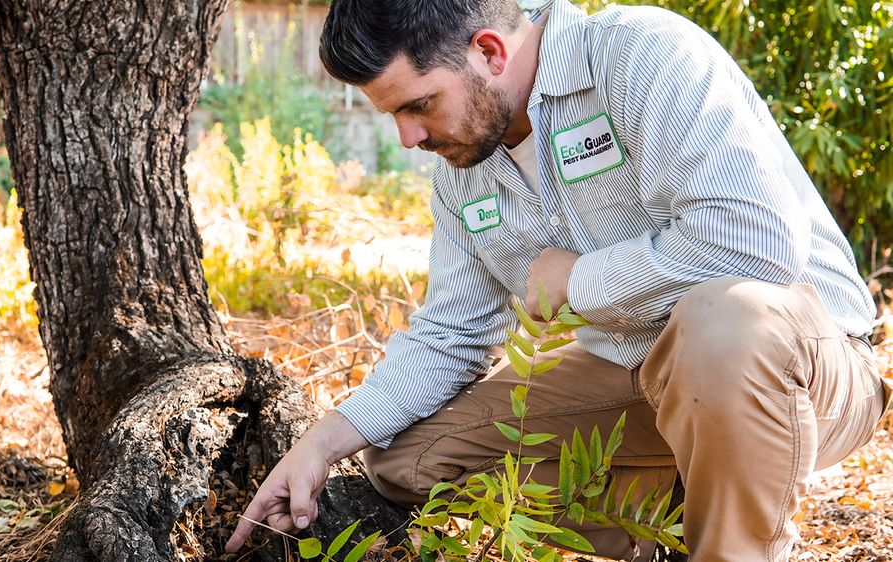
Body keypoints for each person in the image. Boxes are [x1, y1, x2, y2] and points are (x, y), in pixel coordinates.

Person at [225, 0, 893, 560]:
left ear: (490, 51)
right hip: (640, 380)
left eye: (419, 104)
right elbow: (450, 336)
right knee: (409, 464)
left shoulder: (644, 56)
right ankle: (679, 523)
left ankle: (737, 542)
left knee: (724, 321)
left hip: (806, 365)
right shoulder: (465, 170)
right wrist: (321, 442)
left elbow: (756, 248)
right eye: (392, 114)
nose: (407, 137)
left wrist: (580, 280)